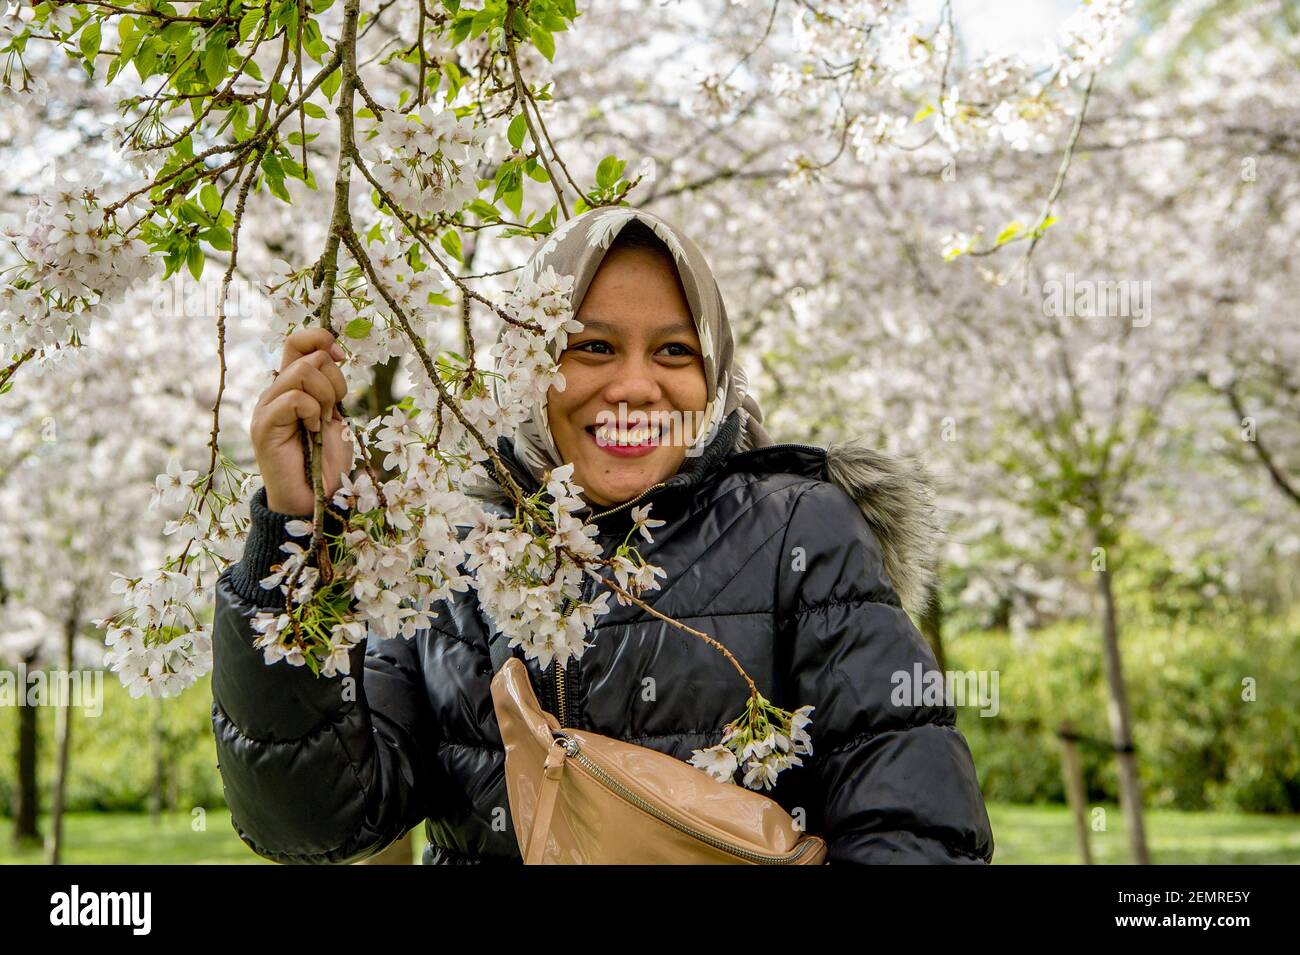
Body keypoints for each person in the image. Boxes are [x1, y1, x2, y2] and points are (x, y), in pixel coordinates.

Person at [211, 206, 995, 865]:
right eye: (591, 346)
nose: (632, 385)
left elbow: (914, 827)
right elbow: (312, 819)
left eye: (674, 351)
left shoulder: (800, 528)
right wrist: (297, 532)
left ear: (714, 374)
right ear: (529, 364)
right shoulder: (452, 551)